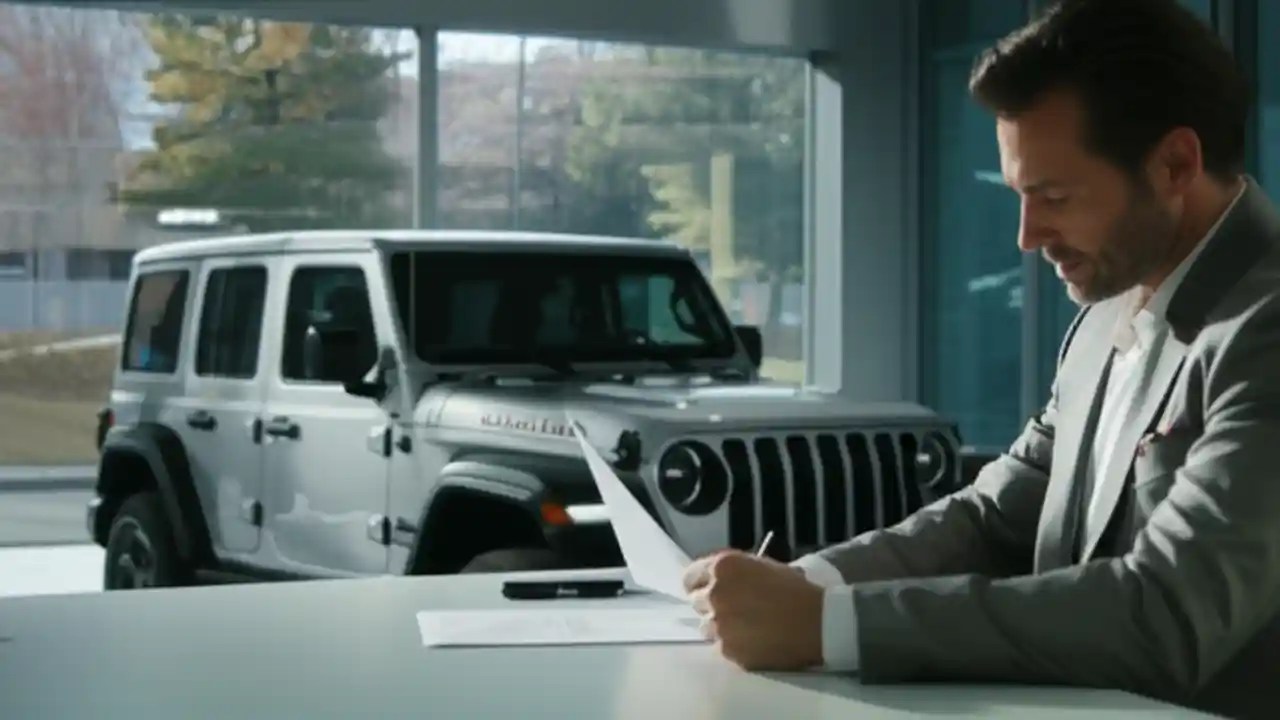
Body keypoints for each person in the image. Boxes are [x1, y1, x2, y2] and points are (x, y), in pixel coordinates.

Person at [682, 1, 1280, 717]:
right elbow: (994, 517)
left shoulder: (1264, 326)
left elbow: (1170, 613)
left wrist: (829, 626)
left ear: (1175, 163)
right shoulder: (1103, 320)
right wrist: (806, 587)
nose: (1027, 236)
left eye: (1053, 195)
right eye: (1019, 196)